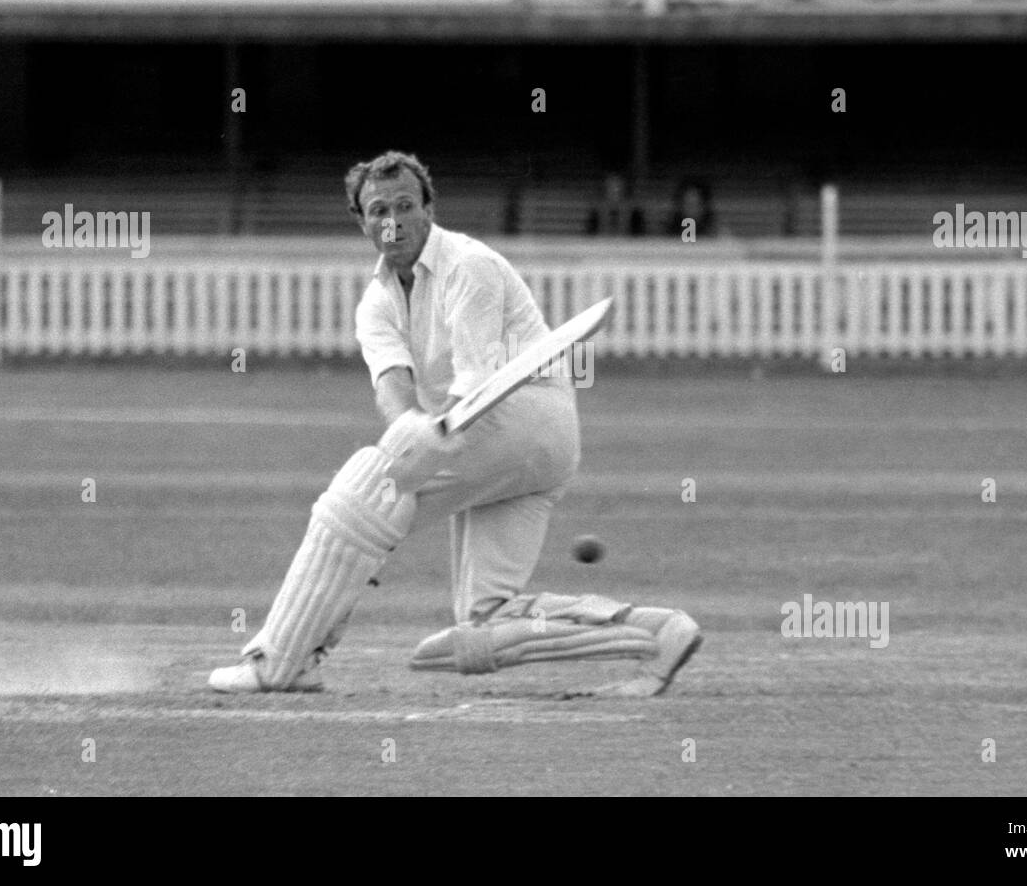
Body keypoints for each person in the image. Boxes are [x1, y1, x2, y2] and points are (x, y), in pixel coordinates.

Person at [208, 151, 702, 697]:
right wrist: (410, 429)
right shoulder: (376, 303)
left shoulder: (469, 265)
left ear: (428, 209)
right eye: (377, 210)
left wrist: (418, 446)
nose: (392, 220)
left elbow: (477, 380)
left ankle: (281, 660)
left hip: (521, 414)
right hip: (501, 445)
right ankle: (659, 633)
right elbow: (393, 387)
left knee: (368, 489)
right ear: (361, 220)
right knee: (486, 619)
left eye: (404, 205)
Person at [585, 171, 645, 236]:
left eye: (617, 187)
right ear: (606, 188)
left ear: (623, 188)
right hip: (601, 243)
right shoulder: (596, 210)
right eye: (611, 186)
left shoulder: (634, 211)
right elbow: (590, 233)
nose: (614, 190)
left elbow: (639, 235)